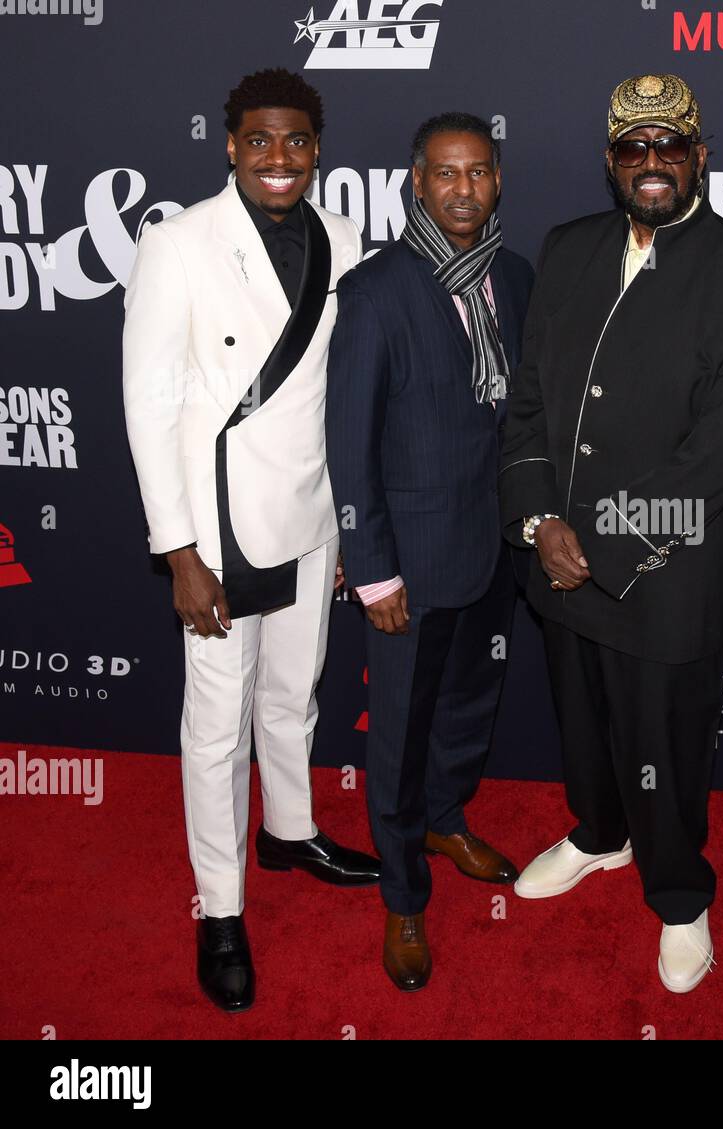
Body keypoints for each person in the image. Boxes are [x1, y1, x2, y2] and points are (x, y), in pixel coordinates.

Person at [499, 74, 723, 993]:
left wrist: (605, 543)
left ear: (701, 157)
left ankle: (678, 894)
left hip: (666, 574)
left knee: (663, 746)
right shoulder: (569, 247)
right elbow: (533, 400)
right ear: (612, 164)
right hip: (556, 557)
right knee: (581, 720)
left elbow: (722, 452)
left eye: (671, 146)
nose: (653, 163)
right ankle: (598, 834)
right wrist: (544, 520)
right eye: (634, 149)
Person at [121, 68, 380, 1014]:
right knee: (216, 722)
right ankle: (221, 906)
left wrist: (351, 518)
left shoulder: (344, 240)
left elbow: (340, 401)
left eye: (298, 141)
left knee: (293, 692)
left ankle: (292, 828)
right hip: (219, 528)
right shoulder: (178, 244)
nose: (280, 158)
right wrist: (179, 548)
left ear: (318, 150)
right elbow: (149, 408)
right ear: (229, 143)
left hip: (310, 517)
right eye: (261, 140)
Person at [326, 112, 531, 992]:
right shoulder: (376, 292)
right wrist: (372, 568)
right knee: (400, 732)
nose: (462, 188)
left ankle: (445, 819)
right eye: (445, 173)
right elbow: (349, 440)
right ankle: (403, 892)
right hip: (407, 561)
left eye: (478, 172)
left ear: (496, 181)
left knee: (468, 707)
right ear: (417, 181)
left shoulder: (515, 279)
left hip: (492, 551)